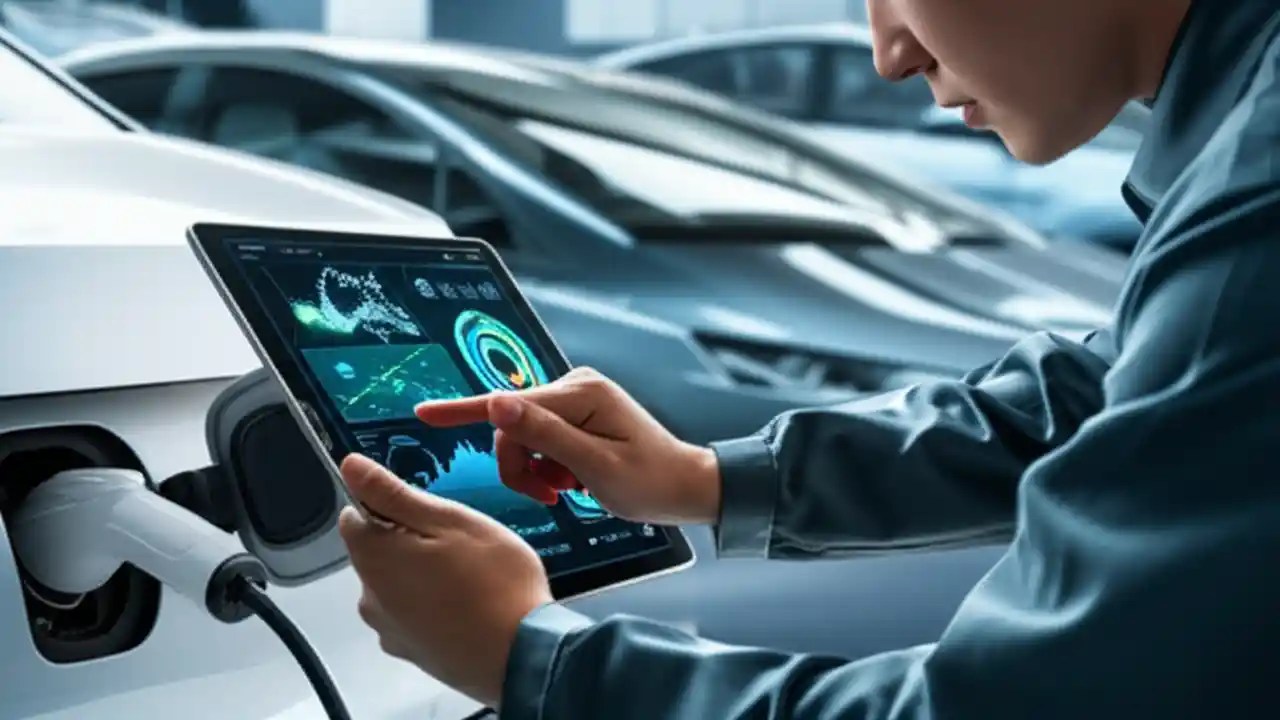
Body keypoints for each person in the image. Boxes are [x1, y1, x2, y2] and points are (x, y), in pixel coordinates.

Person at [337, 0, 1280, 716]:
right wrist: (709, 478)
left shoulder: (1257, 204)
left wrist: (533, 659)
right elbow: (1101, 394)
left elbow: (1017, 703)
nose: (889, 53)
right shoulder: (1241, 135)